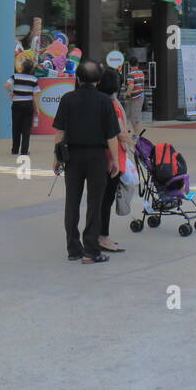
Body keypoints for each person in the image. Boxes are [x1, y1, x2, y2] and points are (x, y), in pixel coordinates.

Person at [52, 58, 120, 264]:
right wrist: (115, 159)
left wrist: (56, 157)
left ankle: (73, 249)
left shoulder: (67, 99)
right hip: (96, 157)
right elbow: (111, 136)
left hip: (72, 156)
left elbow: (59, 132)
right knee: (94, 203)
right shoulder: (104, 101)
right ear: (98, 81)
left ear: (78, 78)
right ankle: (91, 251)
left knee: (72, 202)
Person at [97, 67, 131, 254]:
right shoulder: (113, 104)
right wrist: (131, 140)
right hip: (113, 157)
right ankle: (103, 236)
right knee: (107, 199)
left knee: (101, 198)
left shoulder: (100, 102)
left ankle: (99, 235)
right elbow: (118, 132)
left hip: (104, 156)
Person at [5, 59, 38, 157]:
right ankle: (24, 150)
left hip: (16, 105)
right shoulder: (34, 79)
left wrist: (11, 92)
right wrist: (37, 109)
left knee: (16, 127)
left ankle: (15, 149)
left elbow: (6, 85)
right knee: (26, 128)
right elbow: (35, 96)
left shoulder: (15, 76)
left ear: (23, 67)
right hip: (28, 105)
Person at [124, 56, 146, 134]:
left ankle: (137, 137)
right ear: (137, 64)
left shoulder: (130, 74)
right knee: (132, 117)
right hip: (140, 95)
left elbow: (131, 86)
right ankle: (134, 135)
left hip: (135, 98)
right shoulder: (141, 73)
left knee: (134, 119)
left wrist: (126, 94)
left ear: (129, 65)